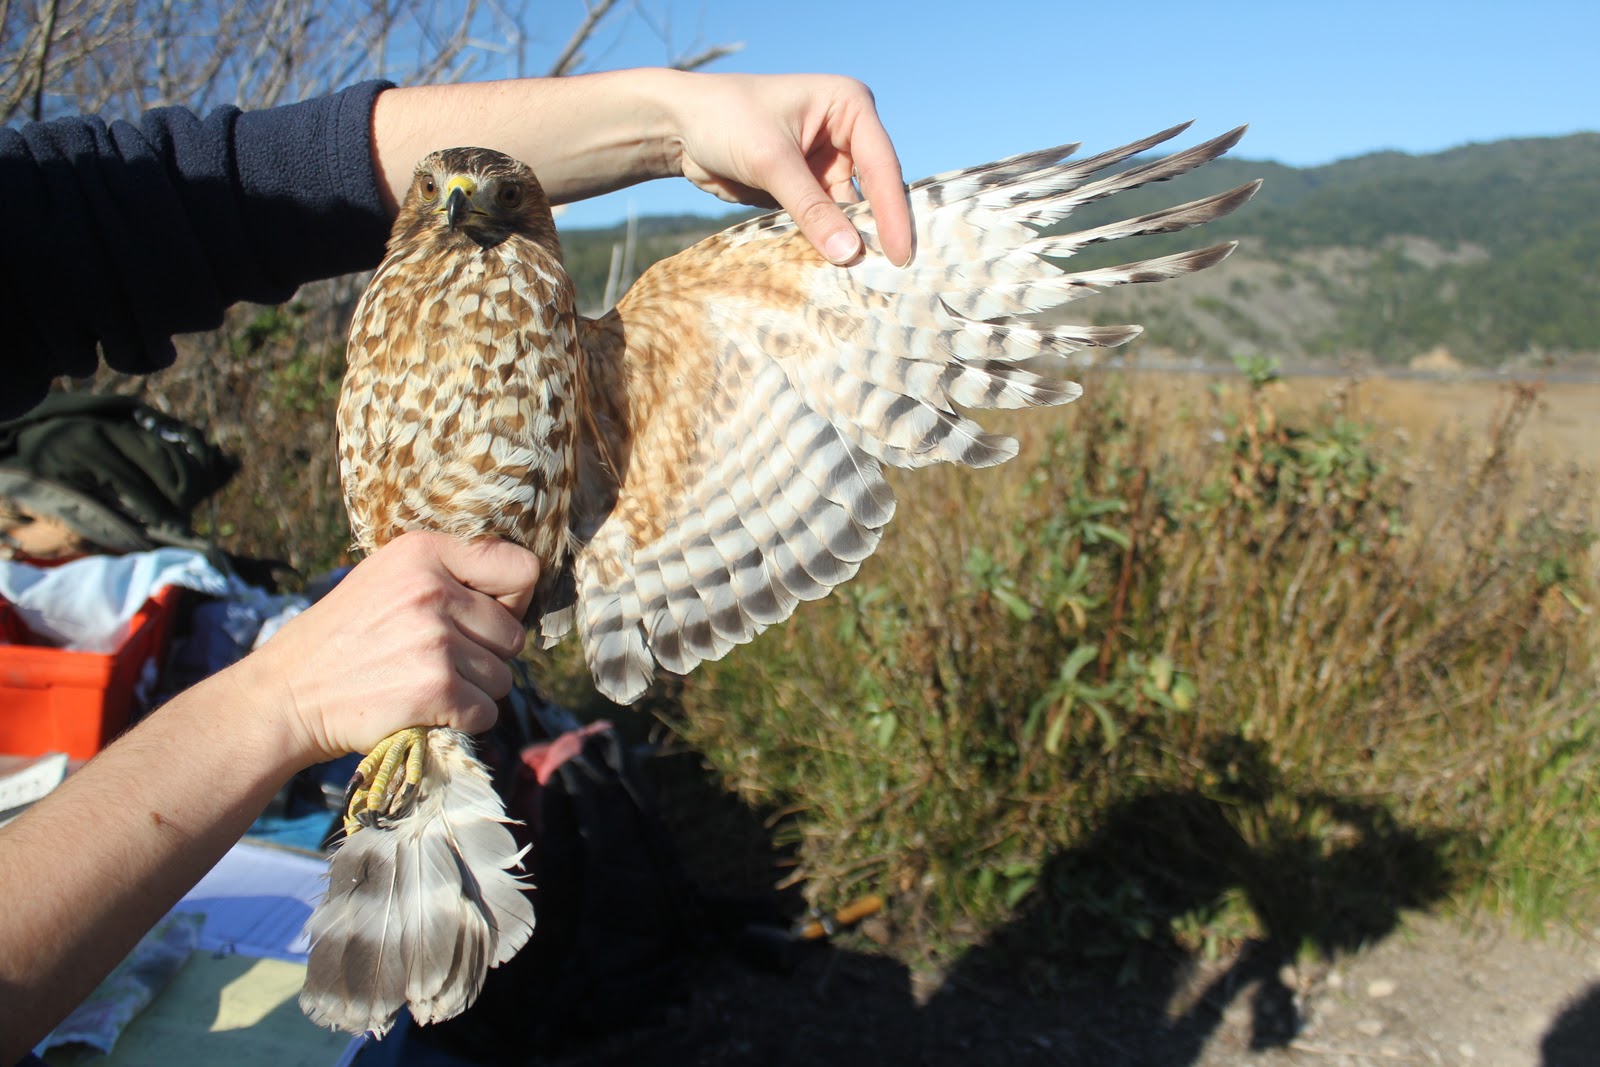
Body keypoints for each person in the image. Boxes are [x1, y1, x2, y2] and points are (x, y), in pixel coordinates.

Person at [0, 68, 912, 1064]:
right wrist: (283, 699)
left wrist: (671, 117)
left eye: (497, 197)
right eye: (439, 194)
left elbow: (172, 188)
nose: (463, 207)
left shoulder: (587, 326)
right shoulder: (401, 282)